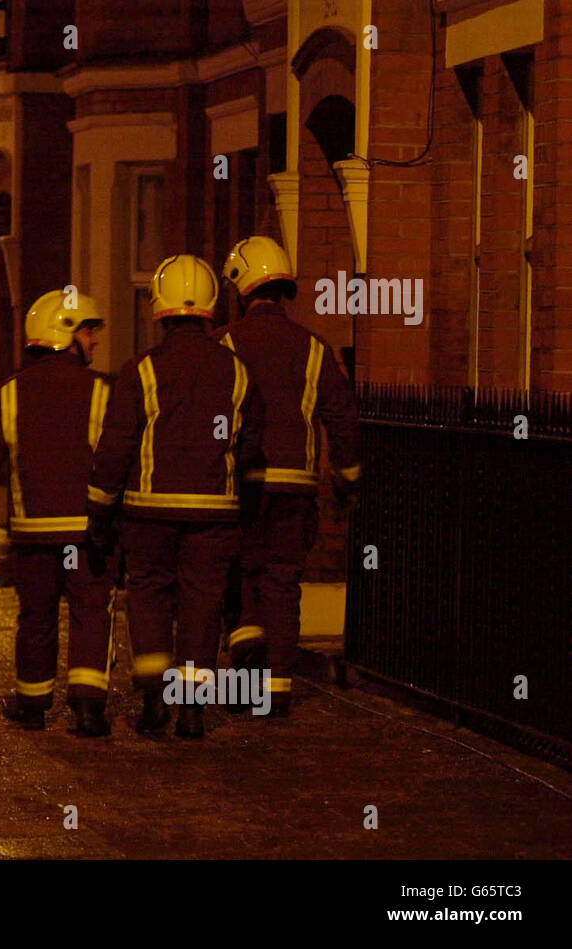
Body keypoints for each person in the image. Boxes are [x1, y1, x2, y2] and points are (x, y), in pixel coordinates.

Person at [87, 255, 264, 739]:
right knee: (202, 605)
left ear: (158, 309)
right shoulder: (237, 371)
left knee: (148, 596)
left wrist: (100, 509)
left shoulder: (140, 371)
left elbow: (116, 446)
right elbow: (251, 448)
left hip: (148, 513)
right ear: (211, 306)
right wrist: (244, 502)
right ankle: (191, 710)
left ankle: (152, 701)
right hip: (215, 513)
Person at [0, 289, 115, 737]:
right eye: (88, 330)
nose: (94, 340)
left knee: (36, 617)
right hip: (86, 534)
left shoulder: (9, 394)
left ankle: (33, 704)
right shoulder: (102, 391)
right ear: (65, 333)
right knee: (90, 613)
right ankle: (88, 709)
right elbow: (118, 461)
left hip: (33, 537)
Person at [217, 235, 360, 718]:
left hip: (244, 484)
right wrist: (347, 475)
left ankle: (243, 669)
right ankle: (276, 688)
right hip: (296, 486)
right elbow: (341, 416)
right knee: (283, 581)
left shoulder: (229, 342)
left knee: (239, 573)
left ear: (241, 286)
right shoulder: (314, 347)